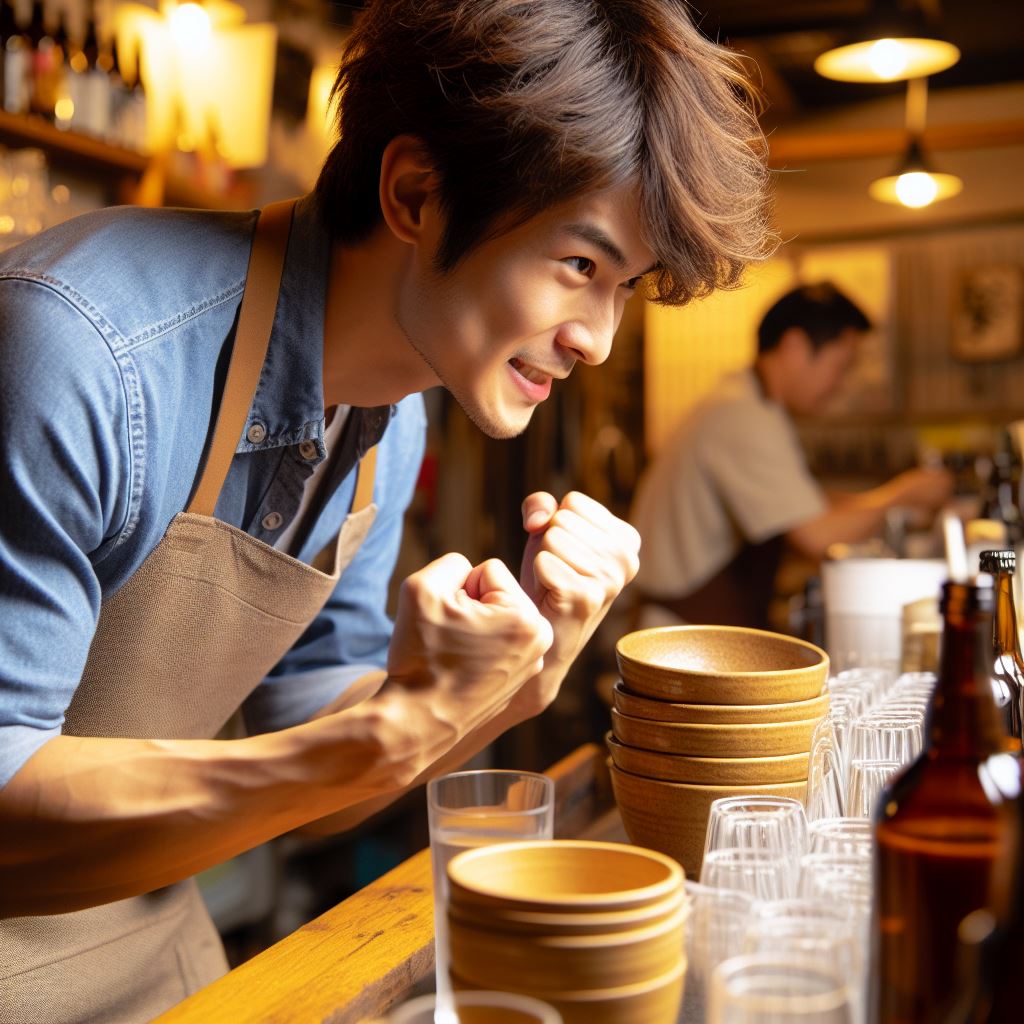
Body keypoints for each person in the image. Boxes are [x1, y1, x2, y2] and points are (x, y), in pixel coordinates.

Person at [0, 1, 774, 1019]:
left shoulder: (393, 417)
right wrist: (380, 733)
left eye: (623, 286)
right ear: (416, 193)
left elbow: (322, 792)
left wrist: (513, 680)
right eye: (579, 265)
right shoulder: (85, 352)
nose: (597, 338)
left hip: (158, 958)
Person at [629, 282, 953, 631]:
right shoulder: (742, 415)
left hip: (697, 625)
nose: (841, 384)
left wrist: (893, 497)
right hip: (679, 634)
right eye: (841, 367)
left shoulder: (754, 404)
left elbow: (808, 506)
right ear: (796, 347)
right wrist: (903, 494)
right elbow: (816, 536)